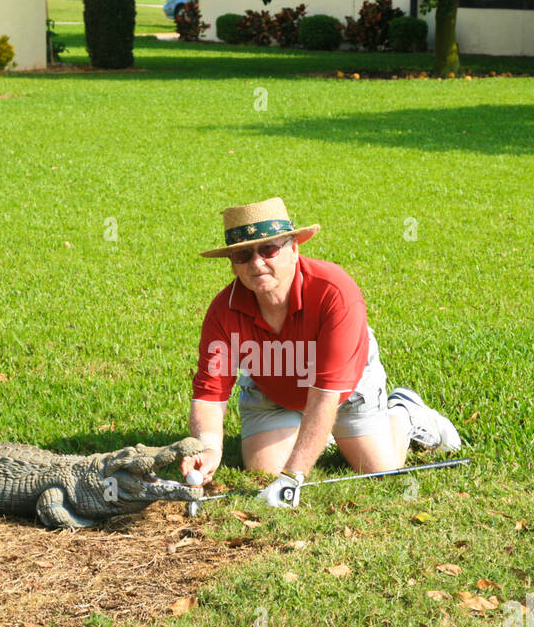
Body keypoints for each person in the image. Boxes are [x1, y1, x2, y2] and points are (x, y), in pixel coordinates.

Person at [182, 197, 460, 508]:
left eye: (268, 250)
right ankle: (316, 433)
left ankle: (405, 413)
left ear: (294, 249)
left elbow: (326, 394)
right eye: (243, 255)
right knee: (263, 469)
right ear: (233, 264)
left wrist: (293, 476)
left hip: (343, 389)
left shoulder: (334, 292)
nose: (257, 264)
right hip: (273, 390)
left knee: (379, 469)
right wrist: (208, 448)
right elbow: (210, 393)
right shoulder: (223, 310)